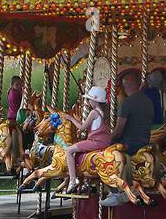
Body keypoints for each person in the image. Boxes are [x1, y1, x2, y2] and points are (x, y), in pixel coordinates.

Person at [101, 72, 155, 207]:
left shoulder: (127, 103)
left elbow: (119, 129)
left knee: (105, 154)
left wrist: (108, 139)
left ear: (126, 86)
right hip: (144, 141)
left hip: (129, 142)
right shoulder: (148, 102)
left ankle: (115, 192)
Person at [61, 86, 112, 194]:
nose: (88, 101)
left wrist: (70, 118)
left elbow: (82, 128)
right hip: (104, 141)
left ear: (95, 100)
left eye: (89, 99)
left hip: (96, 141)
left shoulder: (94, 112)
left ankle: (72, 180)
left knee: (69, 150)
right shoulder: (103, 112)